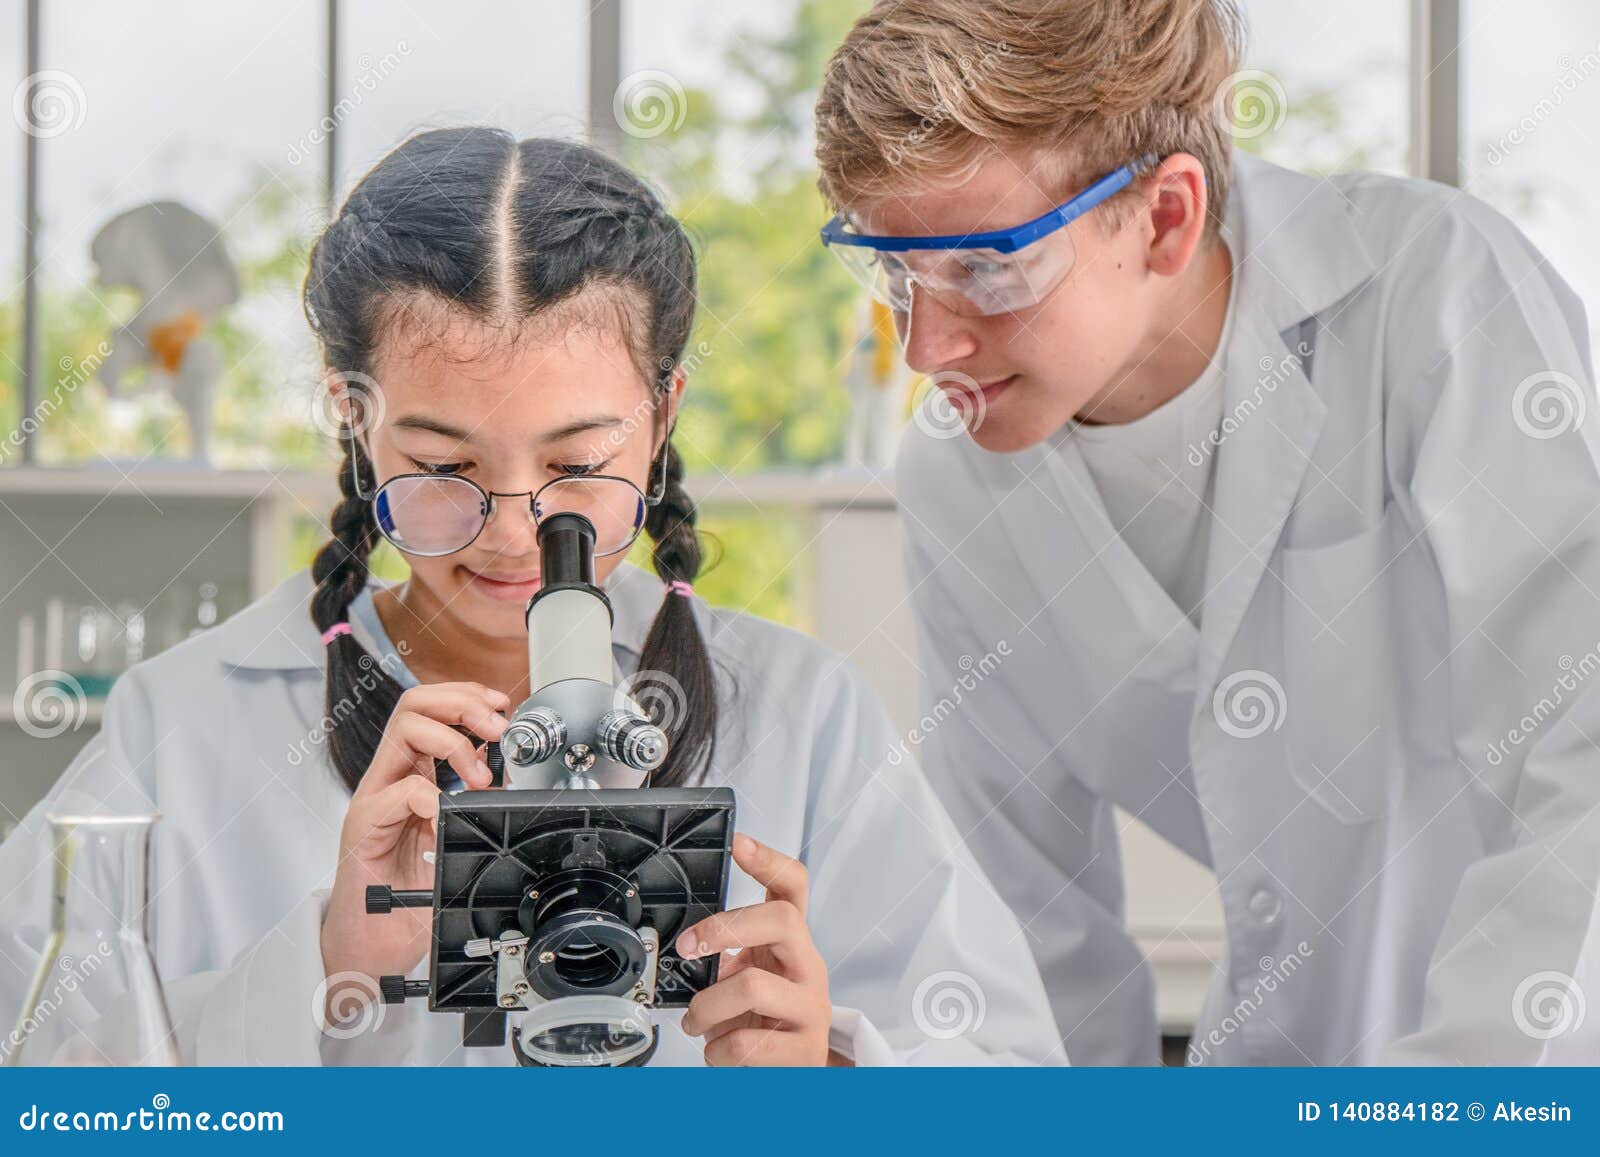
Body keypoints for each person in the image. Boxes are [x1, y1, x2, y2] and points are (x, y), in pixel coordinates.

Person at [0, 128, 1062, 1067]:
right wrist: (323, 963)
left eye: (577, 464)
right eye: (443, 465)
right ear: (354, 417)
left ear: (661, 415)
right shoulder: (183, 725)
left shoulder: (805, 715)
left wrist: (829, 1077)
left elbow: (1012, 1075)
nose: (514, 533)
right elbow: (43, 1077)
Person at [813, 0, 1600, 1064]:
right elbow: (1024, 931)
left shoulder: (1431, 294)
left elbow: (1580, 756)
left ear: (1165, 218)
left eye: (986, 267)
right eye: (894, 272)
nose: (925, 348)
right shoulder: (956, 472)